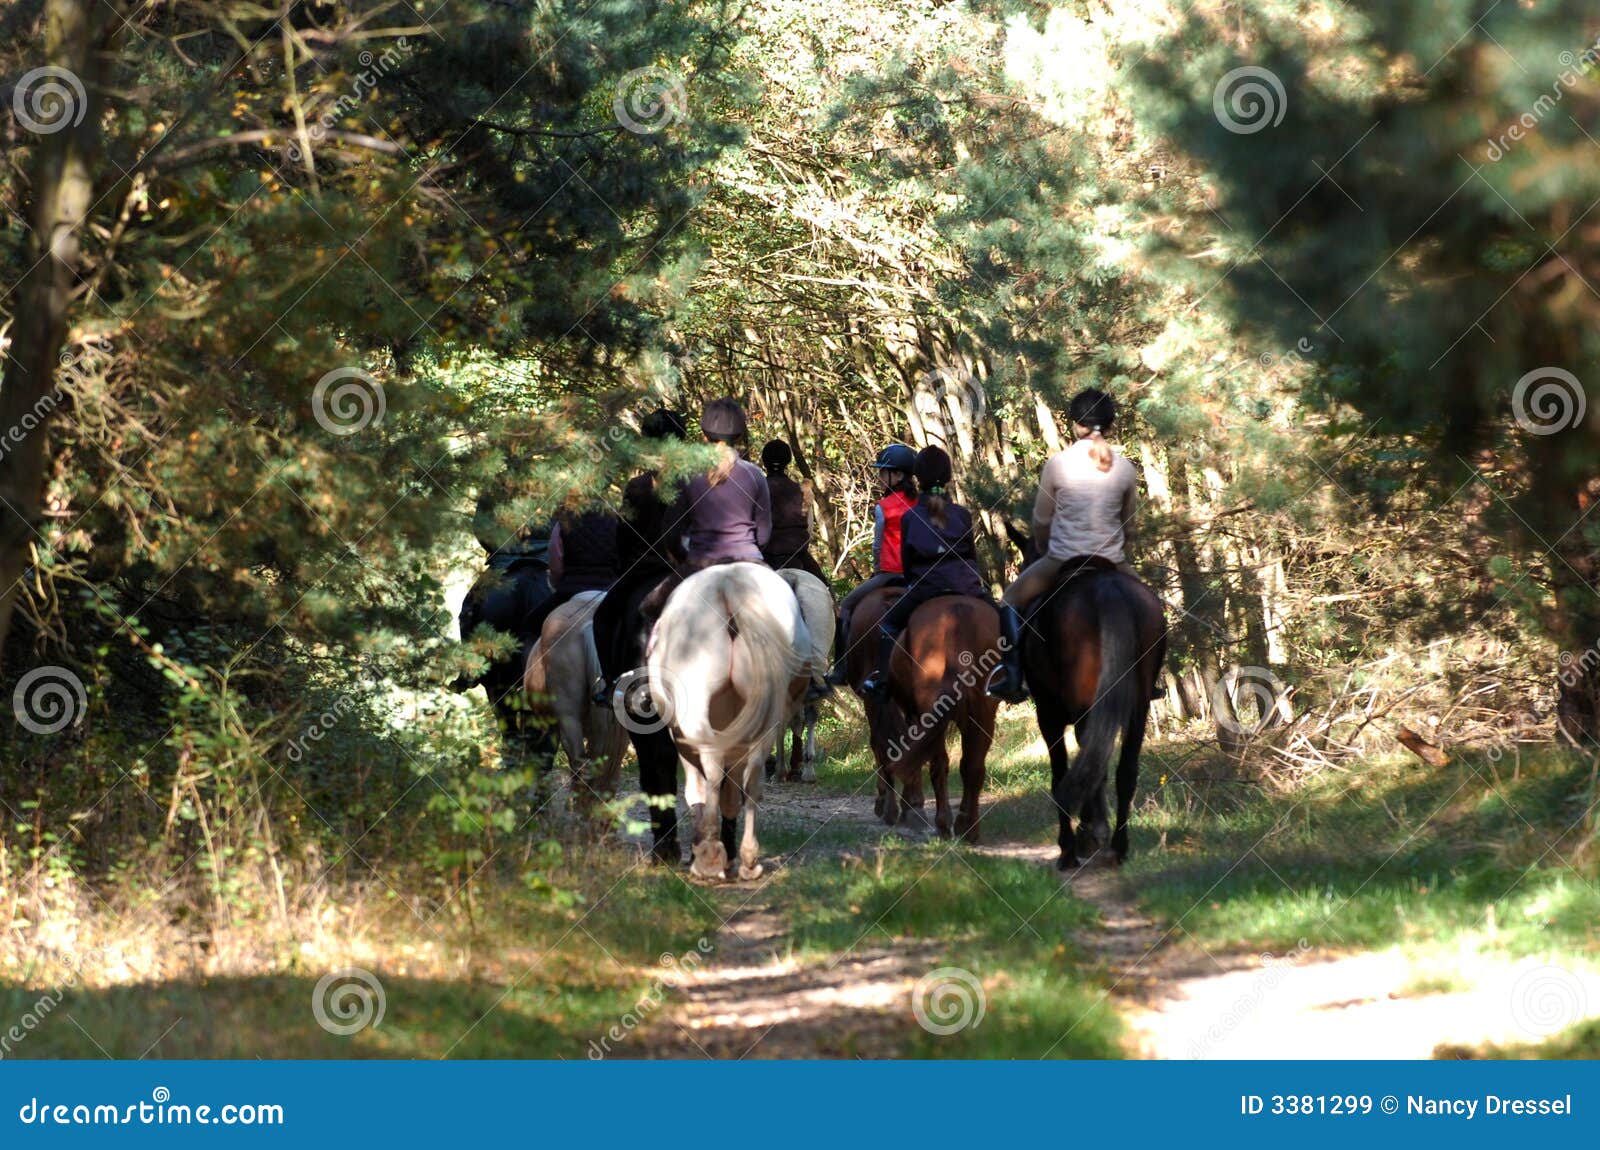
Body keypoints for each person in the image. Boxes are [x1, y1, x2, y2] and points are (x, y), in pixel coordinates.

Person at [988, 387, 1139, 702]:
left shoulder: (1057, 463)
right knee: (1147, 603)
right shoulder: (1125, 468)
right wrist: (1118, 554)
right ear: (1109, 425)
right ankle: (1144, 677)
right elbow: (1129, 525)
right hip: (1111, 561)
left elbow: (1041, 522)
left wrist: (1044, 550)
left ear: (1075, 424)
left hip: (1063, 559)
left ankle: (1013, 677)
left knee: (1010, 602)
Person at [861, 446, 991, 700]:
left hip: (925, 589)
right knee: (1003, 614)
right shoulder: (963, 515)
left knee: (888, 626)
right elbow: (972, 559)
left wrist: (914, 583)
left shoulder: (911, 517)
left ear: (918, 478)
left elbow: (908, 565)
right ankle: (1012, 671)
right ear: (949, 477)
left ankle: (882, 682)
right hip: (967, 586)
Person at [592, 408, 689, 703]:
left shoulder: (637, 487)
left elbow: (623, 535)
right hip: (689, 569)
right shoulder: (695, 483)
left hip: (644, 571)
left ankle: (611, 683)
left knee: (603, 618)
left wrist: (620, 566)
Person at [824, 443, 918, 685]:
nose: (879, 477)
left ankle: (842, 669)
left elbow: (878, 546)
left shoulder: (883, 507)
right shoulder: (922, 503)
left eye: (883, 472)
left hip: (888, 574)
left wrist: (877, 572)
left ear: (897, 475)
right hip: (917, 577)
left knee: (846, 606)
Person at [663, 397, 772, 569]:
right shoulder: (755, 475)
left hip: (701, 561)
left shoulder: (685, 475)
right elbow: (764, 536)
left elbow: (671, 535)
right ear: (740, 436)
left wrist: (684, 559)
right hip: (748, 559)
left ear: (704, 436)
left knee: (657, 596)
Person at [520, 506, 621, 647]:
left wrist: (555, 583)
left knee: (531, 626)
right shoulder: (616, 517)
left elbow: (556, 566)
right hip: (609, 590)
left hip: (571, 590)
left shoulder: (564, 521)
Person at [759, 439, 826, 582]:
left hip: (765, 556)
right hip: (797, 556)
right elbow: (808, 532)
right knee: (825, 589)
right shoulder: (803, 491)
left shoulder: (756, 490)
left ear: (764, 462)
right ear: (787, 462)